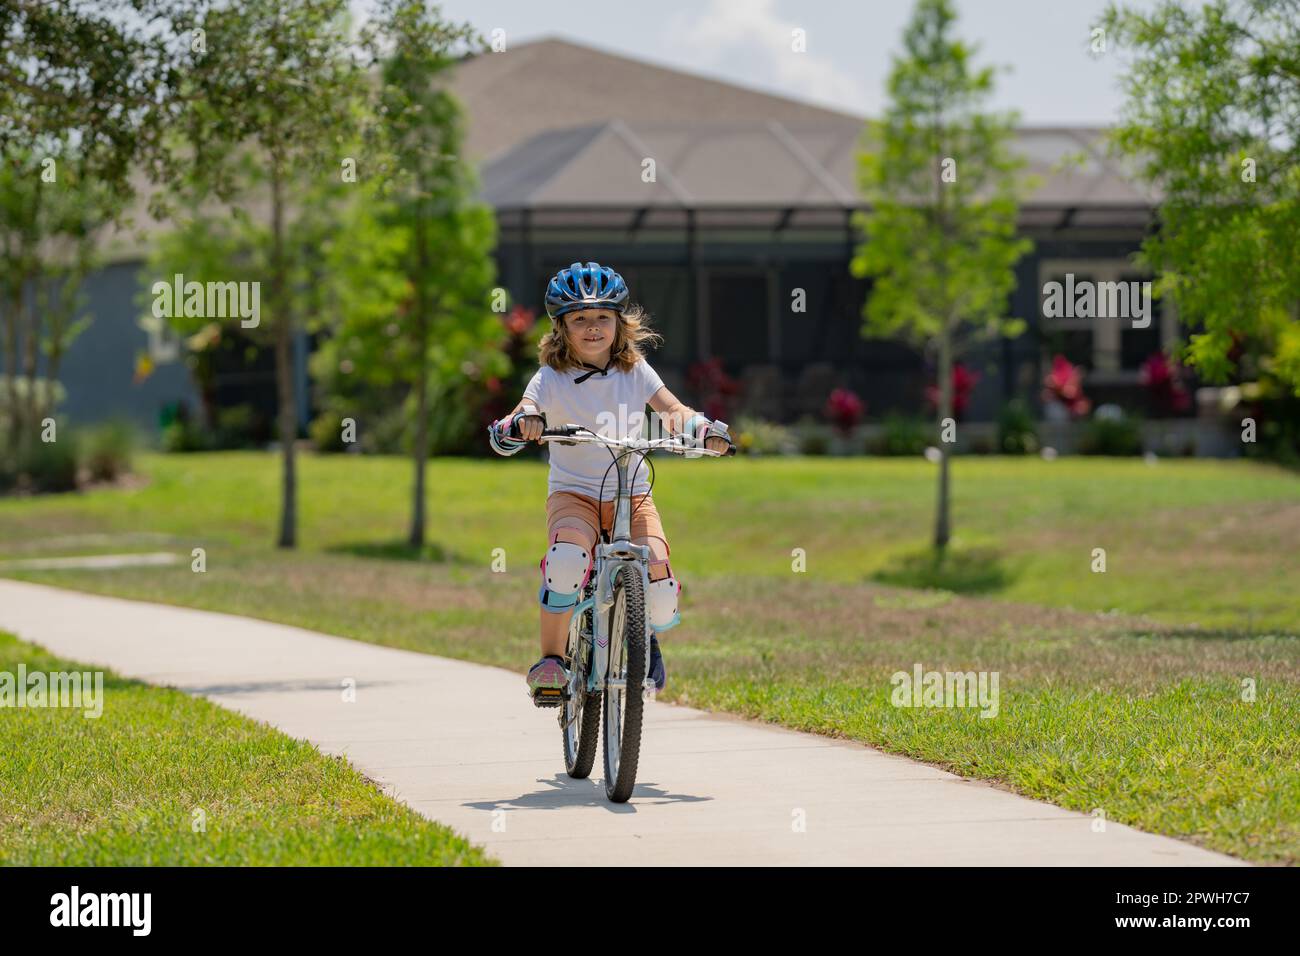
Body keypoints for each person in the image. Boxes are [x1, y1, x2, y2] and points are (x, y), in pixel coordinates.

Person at [487, 261, 734, 705]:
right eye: (579, 318)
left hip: (631, 494)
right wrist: (522, 422)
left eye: (602, 317)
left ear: (620, 323)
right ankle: (552, 662)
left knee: (659, 588)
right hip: (574, 495)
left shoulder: (634, 370)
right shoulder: (551, 377)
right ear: (561, 327)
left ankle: (641, 636)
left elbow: (672, 410)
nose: (592, 327)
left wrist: (702, 430)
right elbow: (527, 407)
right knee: (565, 563)